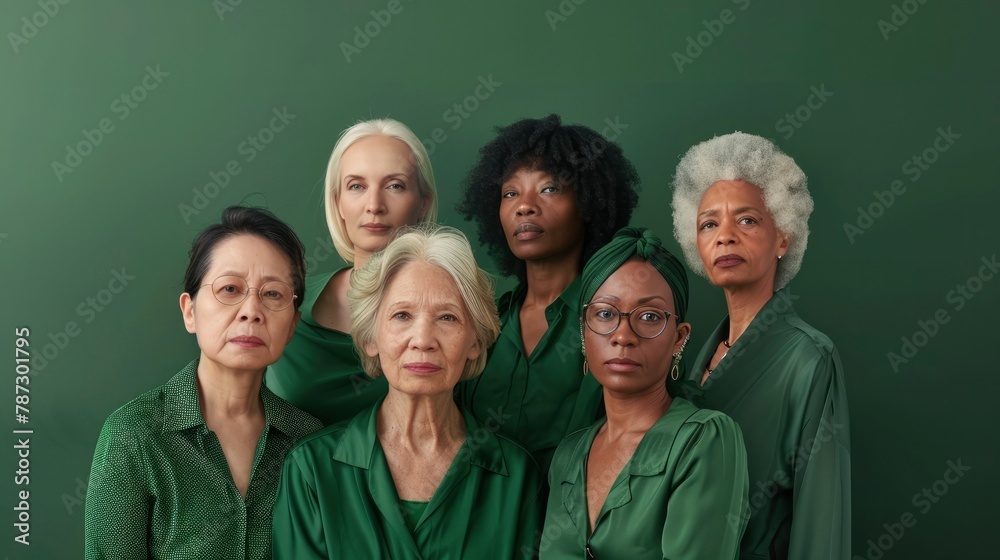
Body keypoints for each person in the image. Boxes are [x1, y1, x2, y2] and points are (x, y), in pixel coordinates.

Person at [271, 226, 543, 558]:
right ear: (370, 338)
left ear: (475, 341)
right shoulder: (311, 469)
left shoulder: (517, 477)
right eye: (402, 315)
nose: (423, 340)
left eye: (447, 317)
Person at [84, 206, 322, 559]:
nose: (251, 311)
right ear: (190, 311)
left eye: (273, 294)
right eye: (230, 288)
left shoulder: (308, 440)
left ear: (291, 326)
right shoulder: (134, 434)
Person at [671, 132, 851, 559]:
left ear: (783, 236)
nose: (725, 236)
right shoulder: (691, 359)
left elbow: (820, 520)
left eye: (747, 220)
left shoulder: (810, 358)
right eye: (709, 223)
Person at [539, 227, 749, 559]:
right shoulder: (568, 455)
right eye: (605, 314)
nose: (623, 336)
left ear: (679, 338)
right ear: (583, 331)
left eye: (649, 316)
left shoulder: (704, 439)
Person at [455, 114, 641, 473]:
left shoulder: (617, 324)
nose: (524, 205)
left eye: (549, 188)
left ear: (588, 203)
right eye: (510, 193)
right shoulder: (484, 324)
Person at [266, 118, 438, 426]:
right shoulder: (282, 301)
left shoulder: (457, 308)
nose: (374, 205)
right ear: (338, 203)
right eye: (356, 186)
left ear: (423, 203)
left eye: (395, 186)